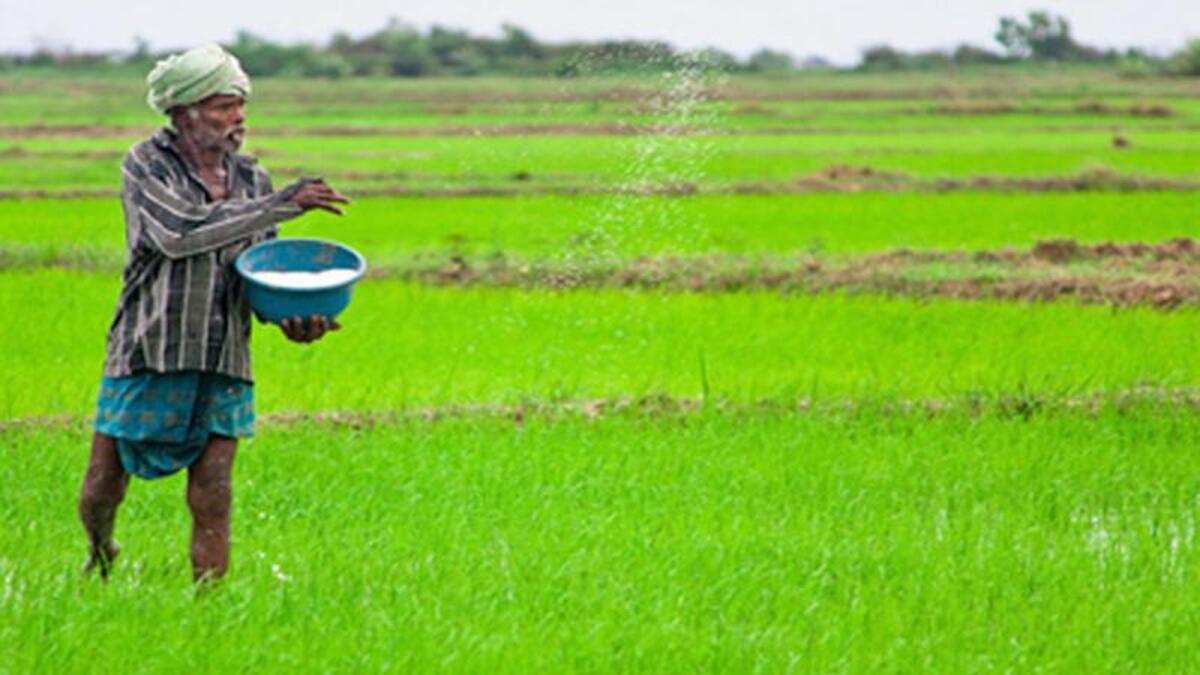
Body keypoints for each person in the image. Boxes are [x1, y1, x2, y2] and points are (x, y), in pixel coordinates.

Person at [77, 44, 350, 583]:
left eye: (241, 105)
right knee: (102, 487)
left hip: (224, 355)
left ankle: (209, 610)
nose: (239, 117)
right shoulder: (147, 163)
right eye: (225, 106)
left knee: (213, 495)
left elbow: (258, 270)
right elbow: (178, 235)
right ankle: (101, 549)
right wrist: (280, 207)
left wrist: (295, 319)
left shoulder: (253, 180)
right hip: (148, 348)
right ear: (185, 112)